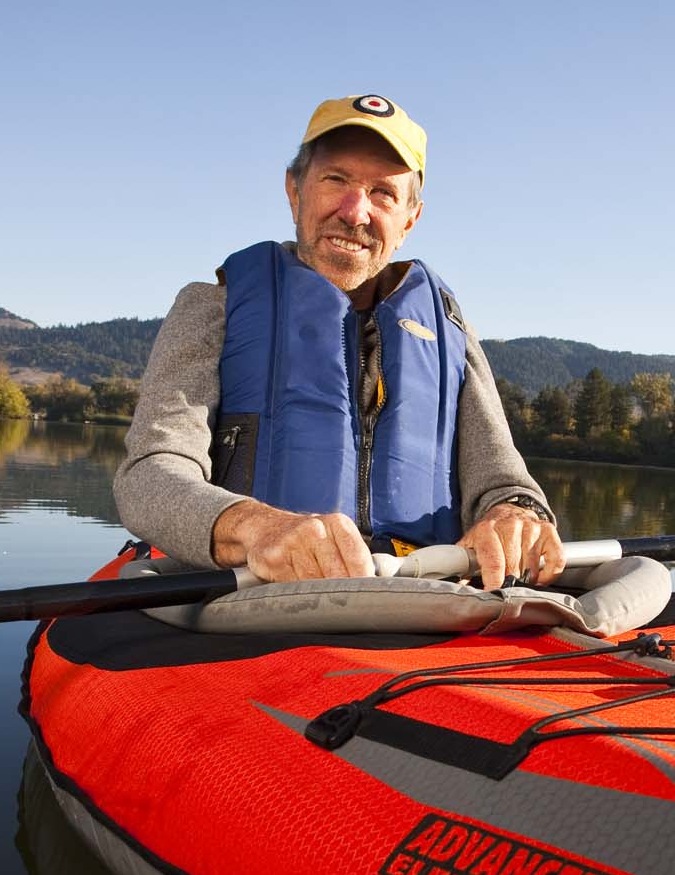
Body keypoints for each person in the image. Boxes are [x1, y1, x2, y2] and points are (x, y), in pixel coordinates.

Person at [114, 94, 563, 590]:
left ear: (409, 219)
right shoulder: (212, 307)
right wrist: (254, 526)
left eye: (383, 194)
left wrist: (514, 513)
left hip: (417, 597)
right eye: (336, 181)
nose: (355, 212)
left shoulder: (450, 332)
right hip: (252, 600)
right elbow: (150, 475)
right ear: (294, 191)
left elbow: (505, 481)